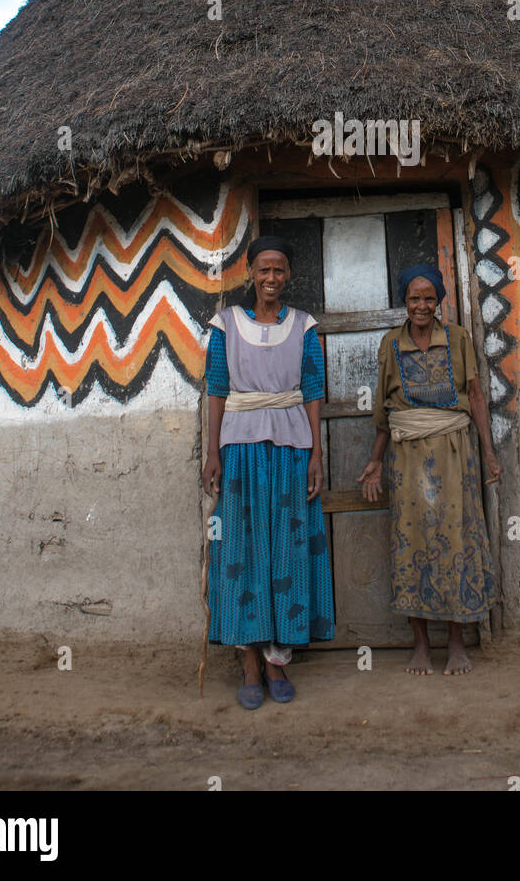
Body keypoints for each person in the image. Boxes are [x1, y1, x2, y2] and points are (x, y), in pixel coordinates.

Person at [201, 235, 334, 709]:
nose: (271, 278)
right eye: (263, 269)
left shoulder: (304, 327)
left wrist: (317, 452)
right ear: (251, 273)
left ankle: (278, 659)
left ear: (288, 275)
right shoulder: (226, 324)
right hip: (238, 448)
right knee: (243, 547)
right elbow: (217, 388)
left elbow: (314, 389)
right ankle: (249, 665)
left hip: (291, 448)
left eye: (279, 270)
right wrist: (213, 451)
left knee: (286, 548)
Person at [357, 265, 501, 675]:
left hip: (455, 453)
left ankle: (456, 643)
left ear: (439, 301)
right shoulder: (390, 343)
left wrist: (489, 452)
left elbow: (474, 395)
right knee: (411, 541)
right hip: (407, 459)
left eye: (428, 298)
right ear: (405, 301)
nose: (421, 306)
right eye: (414, 298)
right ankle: (420, 644)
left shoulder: (457, 338)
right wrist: (374, 461)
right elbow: (385, 411)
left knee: (457, 541)